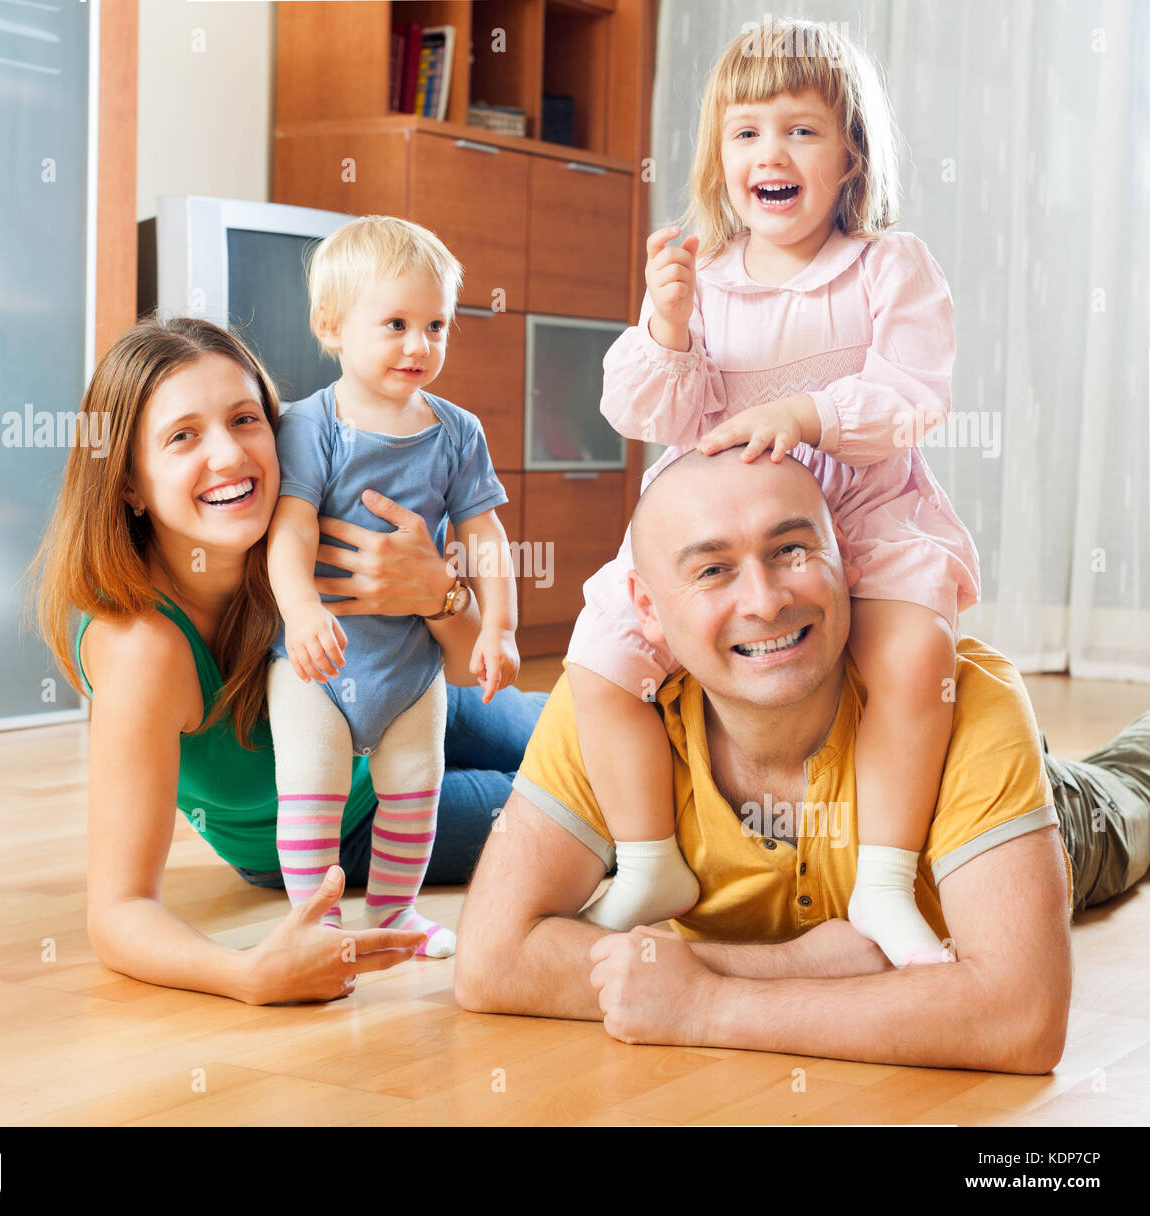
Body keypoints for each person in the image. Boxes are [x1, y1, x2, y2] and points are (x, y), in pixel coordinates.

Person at [454, 448, 1150, 1073]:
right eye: (712, 569)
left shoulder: (968, 699)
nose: (764, 601)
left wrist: (708, 1006)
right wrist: (796, 966)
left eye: (790, 550)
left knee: (1136, 780)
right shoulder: (611, 705)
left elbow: (1021, 1019)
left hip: (1073, 816)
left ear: (844, 555)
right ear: (646, 607)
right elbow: (492, 962)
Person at [567, 17, 977, 972]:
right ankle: (648, 858)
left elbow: (917, 394)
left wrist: (809, 413)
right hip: (719, 523)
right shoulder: (702, 279)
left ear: (850, 155)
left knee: (916, 652)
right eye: (747, 131)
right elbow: (646, 410)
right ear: (720, 154)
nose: (772, 152)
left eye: (801, 129)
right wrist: (668, 326)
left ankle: (882, 879)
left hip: (859, 510)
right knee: (598, 654)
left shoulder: (888, 265)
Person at [30, 316, 544, 1006]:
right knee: (583, 811)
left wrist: (441, 595)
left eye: (245, 420)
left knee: (593, 727)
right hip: (345, 826)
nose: (230, 456)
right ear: (128, 483)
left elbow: (463, 670)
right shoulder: (144, 648)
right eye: (183, 436)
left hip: (417, 699)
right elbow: (118, 913)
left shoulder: (306, 526)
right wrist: (246, 976)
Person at [265, 216, 519, 958]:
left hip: (410, 669)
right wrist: (302, 608)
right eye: (398, 324)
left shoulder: (457, 432)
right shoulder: (310, 425)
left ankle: (396, 912)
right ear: (331, 326)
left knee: (416, 789)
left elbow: (485, 536)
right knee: (311, 793)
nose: (421, 345)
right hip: (318, 664)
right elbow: (292, 531)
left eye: (437, 325)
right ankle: (313, 924)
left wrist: (499, 626)